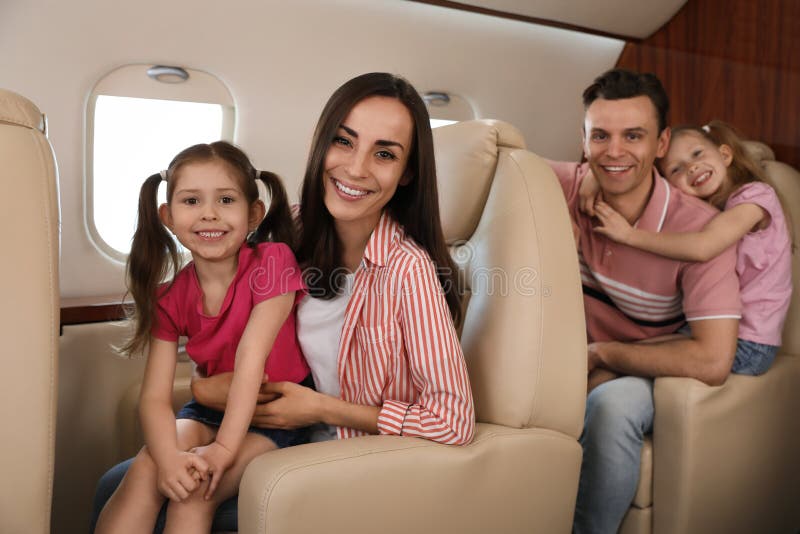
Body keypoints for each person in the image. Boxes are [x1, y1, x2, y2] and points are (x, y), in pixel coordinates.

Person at [91, 72, 475, 532]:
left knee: (191, 495)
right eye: (344, 142)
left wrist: (319, 408)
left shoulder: (409, 270)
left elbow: (453, 422)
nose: (356, 168)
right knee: (125, 477)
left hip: (350, 452)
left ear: (406, 172)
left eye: (385, 153)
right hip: (263, 421)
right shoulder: (290, 232)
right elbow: (229, 324)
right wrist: (202, 387)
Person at [546, 69, 742, 534]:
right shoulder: (565, 184)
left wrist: (604, 356)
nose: (614, 152)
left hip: (649, 363)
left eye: (633, 136)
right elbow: (493, 149)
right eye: (601, 137)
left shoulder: (699, 230)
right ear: (583, 139)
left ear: (660, 143)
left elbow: (713, 360)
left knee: (611, 407)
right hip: (564, 359)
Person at [94, 141, 310, 533]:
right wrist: (167, 457)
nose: (209, 213)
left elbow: (250, 362)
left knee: (197, 490)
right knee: (148, 466)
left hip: (274, 419)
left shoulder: (273, 262)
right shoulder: (169, 295)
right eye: (191, 201)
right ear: (168, 217)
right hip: (207, 412)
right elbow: (155, 398)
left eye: (226, 200)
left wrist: (223, 449)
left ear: (253, 214)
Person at [582, 120, 793, 376]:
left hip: (749, 344)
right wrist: (595, 176)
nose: (692, 167)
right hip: (718, 330)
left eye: (697, 154)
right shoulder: (707, 212)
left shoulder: (756, 197)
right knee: (624, 355)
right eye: (676, 169)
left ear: (725, 155)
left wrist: (630, 236)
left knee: (623, 357)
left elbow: (704, 246)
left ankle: (597, 361)